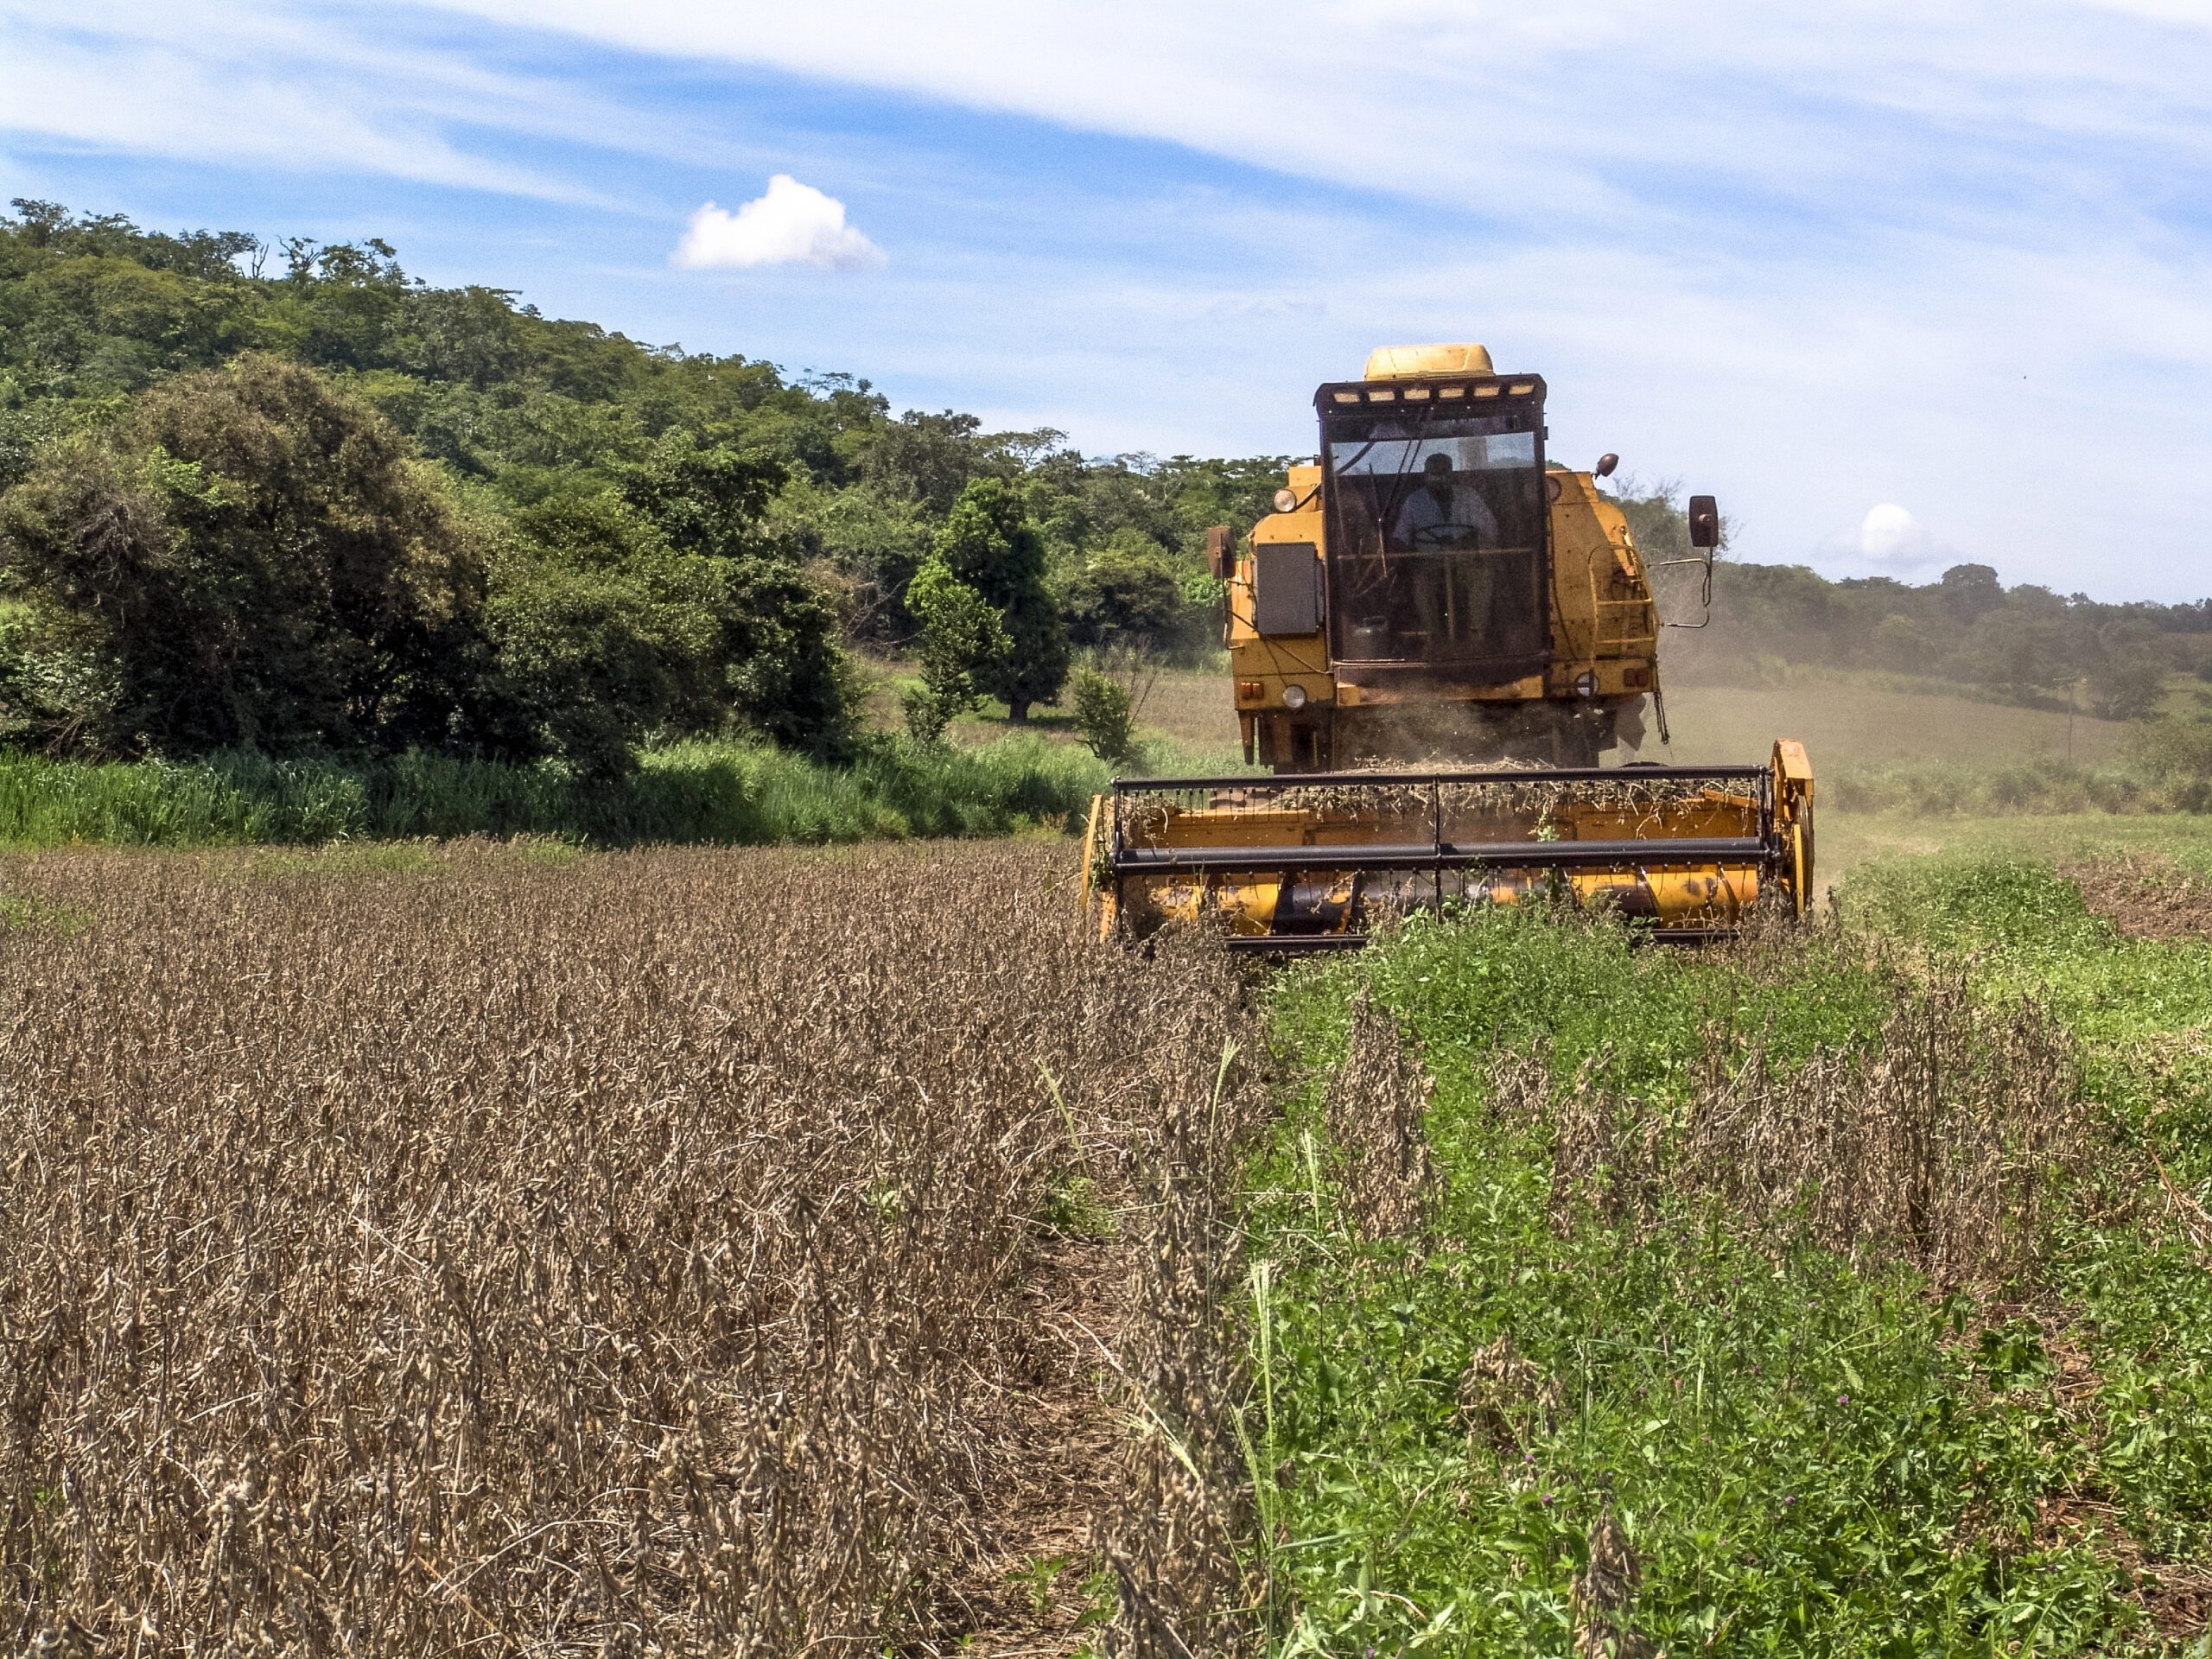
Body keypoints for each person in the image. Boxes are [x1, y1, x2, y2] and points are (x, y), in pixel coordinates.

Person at [1392, 451, 1498, 652]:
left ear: (1451, 474)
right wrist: (1402, 559)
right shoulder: (1414, 502)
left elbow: (1489, 529)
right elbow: (1401, 535)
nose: (1438, 479)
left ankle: (1478, 635)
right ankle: (1432, 637)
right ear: (1425, 475)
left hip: (1465, 561)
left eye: (1443, 473)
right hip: (1429, 563)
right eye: (1433, 474)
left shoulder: (1469, 496)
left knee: (1483, 576)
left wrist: (1467, 543)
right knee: (1421, 584)